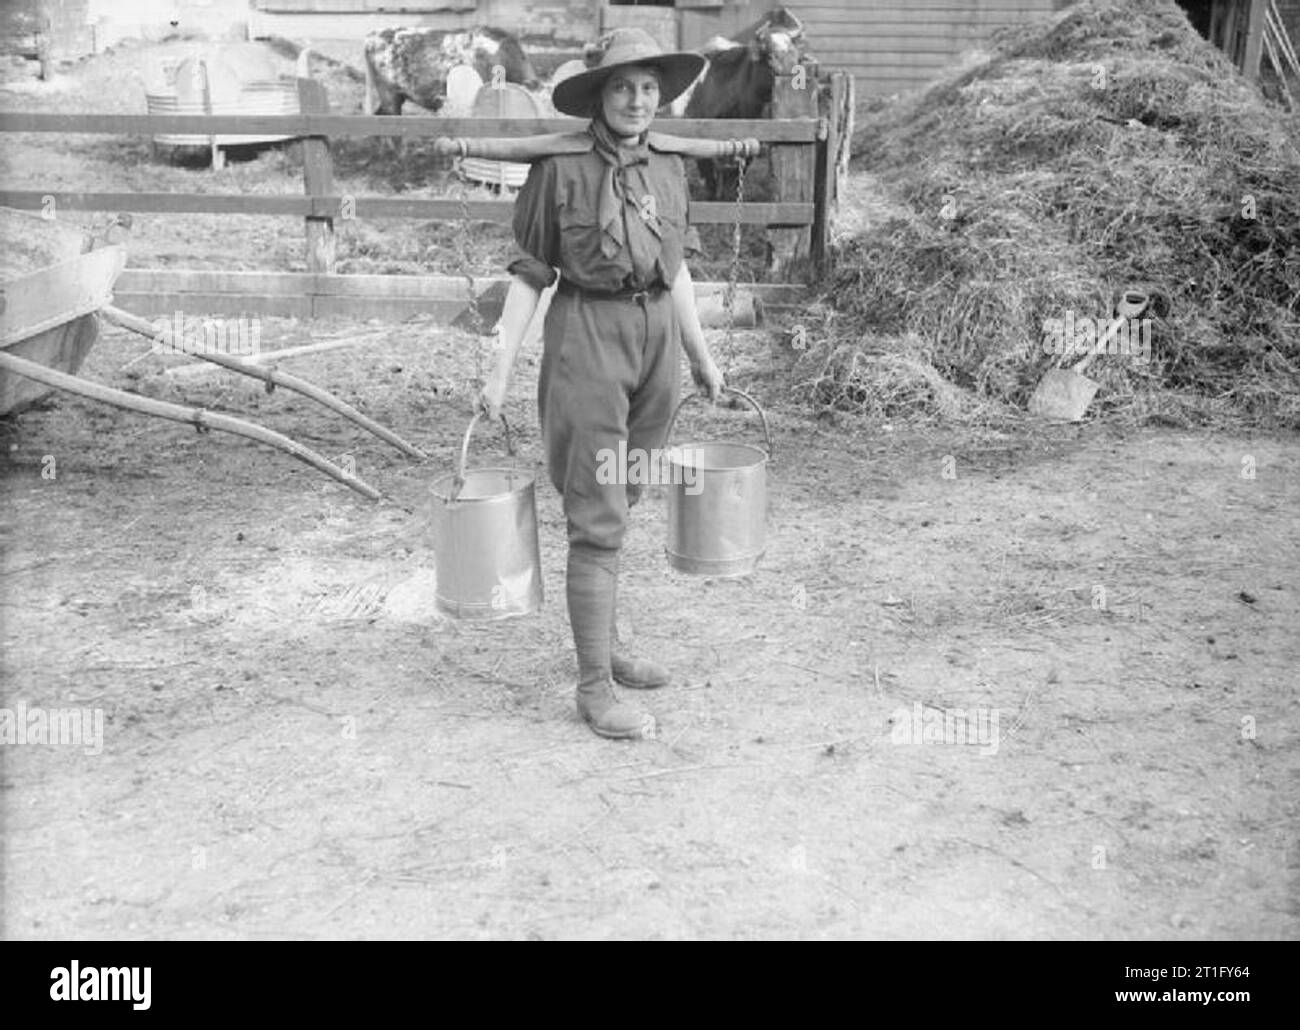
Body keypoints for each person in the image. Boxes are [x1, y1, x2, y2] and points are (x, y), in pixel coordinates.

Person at [478, 27, 726, 740]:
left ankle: (605, 646)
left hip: (656, 351)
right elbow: (530, 278)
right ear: (599, 94)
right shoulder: (560, 170)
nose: (638, 100)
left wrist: (700, 357)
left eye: (649, 88)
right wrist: (500, 372)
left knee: (627, 489)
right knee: (595, 511)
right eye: (623, 87)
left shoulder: (669, 169)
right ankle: (592, 687)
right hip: (588, 339)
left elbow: (674, 270)